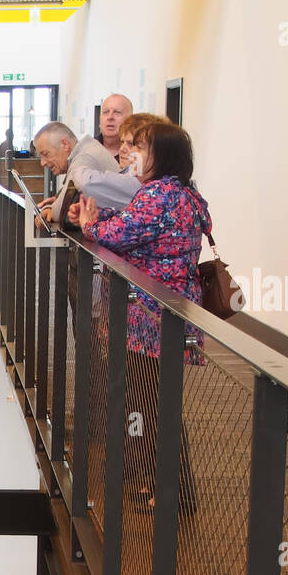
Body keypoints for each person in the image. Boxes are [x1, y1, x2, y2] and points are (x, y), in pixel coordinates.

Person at [72, 120, 209, 510]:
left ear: (161, 156)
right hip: (170, 313)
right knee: (156, 402)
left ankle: (171, 493)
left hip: (151, 318)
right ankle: (161, 487)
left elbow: (118, 234)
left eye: (140, 148)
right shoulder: (181, 192)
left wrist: (90, 223)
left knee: (151, 403)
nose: (131, 154)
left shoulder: (157, 196)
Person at [32, 121, 117, 223]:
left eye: (46, 154)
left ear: (65, 144)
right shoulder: (86, 149)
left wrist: (51, 209)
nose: (42, 163)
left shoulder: (84, 158)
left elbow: (60, 212)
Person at [95, 93, 133, 164]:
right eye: (106, 112)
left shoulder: (137, 154)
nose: (110, 117)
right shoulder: (86, 149)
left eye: (117, 112)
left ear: (130, 120)